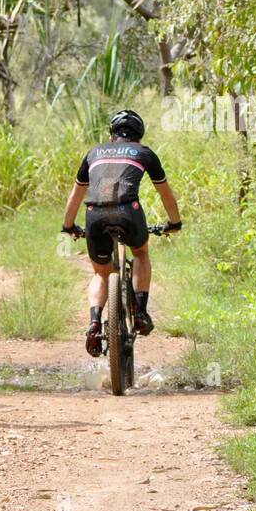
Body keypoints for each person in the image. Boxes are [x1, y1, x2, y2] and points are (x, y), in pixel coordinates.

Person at [60, 109, 182, 357]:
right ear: (139, 135)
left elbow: (76, 195)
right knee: (140, 252)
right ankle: (140, 312)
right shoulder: (144, 153)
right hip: (129, 211)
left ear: (112, 134)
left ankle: (94, 322)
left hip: (94, 214)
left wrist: (68, 226)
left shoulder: (94, 152)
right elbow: (165, 193)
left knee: (101, 273)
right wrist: (174, 222)